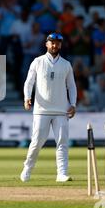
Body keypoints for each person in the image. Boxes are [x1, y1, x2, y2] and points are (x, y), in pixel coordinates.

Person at [20, 33, 77, 183]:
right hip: (41, 110)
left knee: (62, 143)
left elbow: (71, 86)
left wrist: (73, 104)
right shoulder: (38, 62)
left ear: (61, 45)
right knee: (37, 142)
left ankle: (62, 173)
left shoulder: (66, 64)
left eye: (57, 43)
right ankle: (27, 169)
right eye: (52, 42)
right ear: (46, 44)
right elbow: (29, 82)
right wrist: (27, 98)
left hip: (61, 110)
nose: (54, 45)